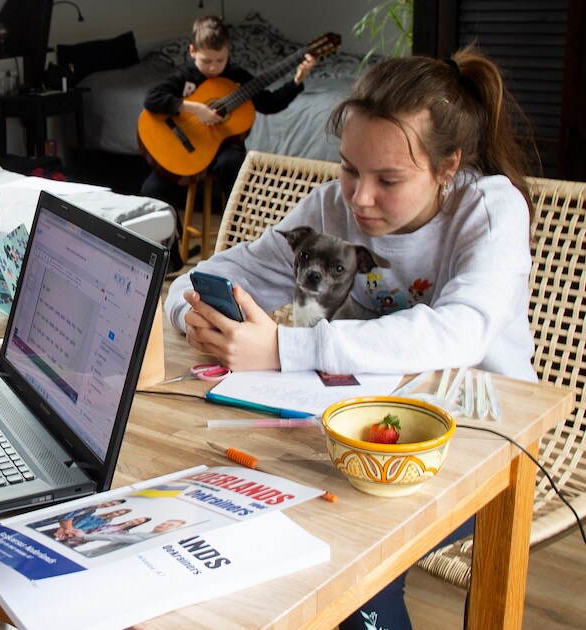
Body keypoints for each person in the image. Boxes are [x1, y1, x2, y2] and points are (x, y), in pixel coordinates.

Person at [165, 46, 535, 630]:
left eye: (389, 179)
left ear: (446, 166)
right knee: (246, 515)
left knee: (345, 554)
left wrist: (287, 349)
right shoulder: (335, 206)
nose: (359, 198)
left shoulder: (488, 208)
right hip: (355, 423)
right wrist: (195, 316)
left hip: (481, 436)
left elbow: (461, 331)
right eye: (349, 168)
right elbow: (210, 276)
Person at [140, 15, 315, 212]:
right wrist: (195, 108)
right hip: (187, 150)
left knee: (232, 163)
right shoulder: (185, 75)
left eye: (220, 60)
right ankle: (170, 241)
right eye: (206, 61)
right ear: (192, 52)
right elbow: (152, 98)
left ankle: (232, 226)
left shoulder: (235, 75)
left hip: (224, 149)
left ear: (228, 51)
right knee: (152, 191)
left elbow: (269, 104)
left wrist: (297, 81)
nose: (213, 67)